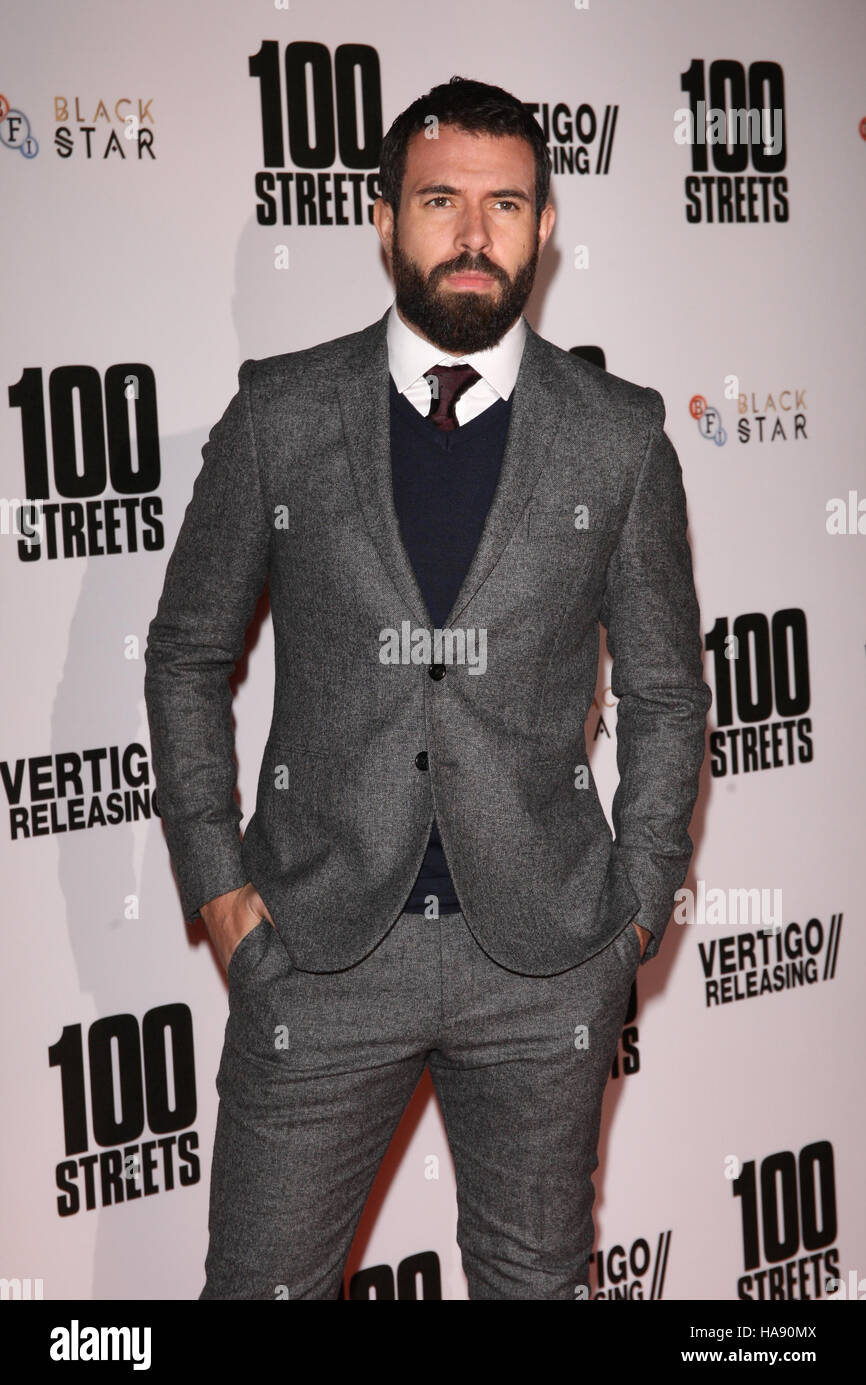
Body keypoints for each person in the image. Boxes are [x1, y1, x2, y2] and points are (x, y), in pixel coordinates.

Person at [144, 75, 712, 1300]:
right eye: (439, 199)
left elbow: (666, 696)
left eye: (503, 204)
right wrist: (225, 901)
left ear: (544, 226)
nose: (471, 233)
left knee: (535, 1286)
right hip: (321, 950)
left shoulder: (618, 436)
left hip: (544, 958)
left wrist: (630, 921)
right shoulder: (280, 415)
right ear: (383, 218)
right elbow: (187, 655)